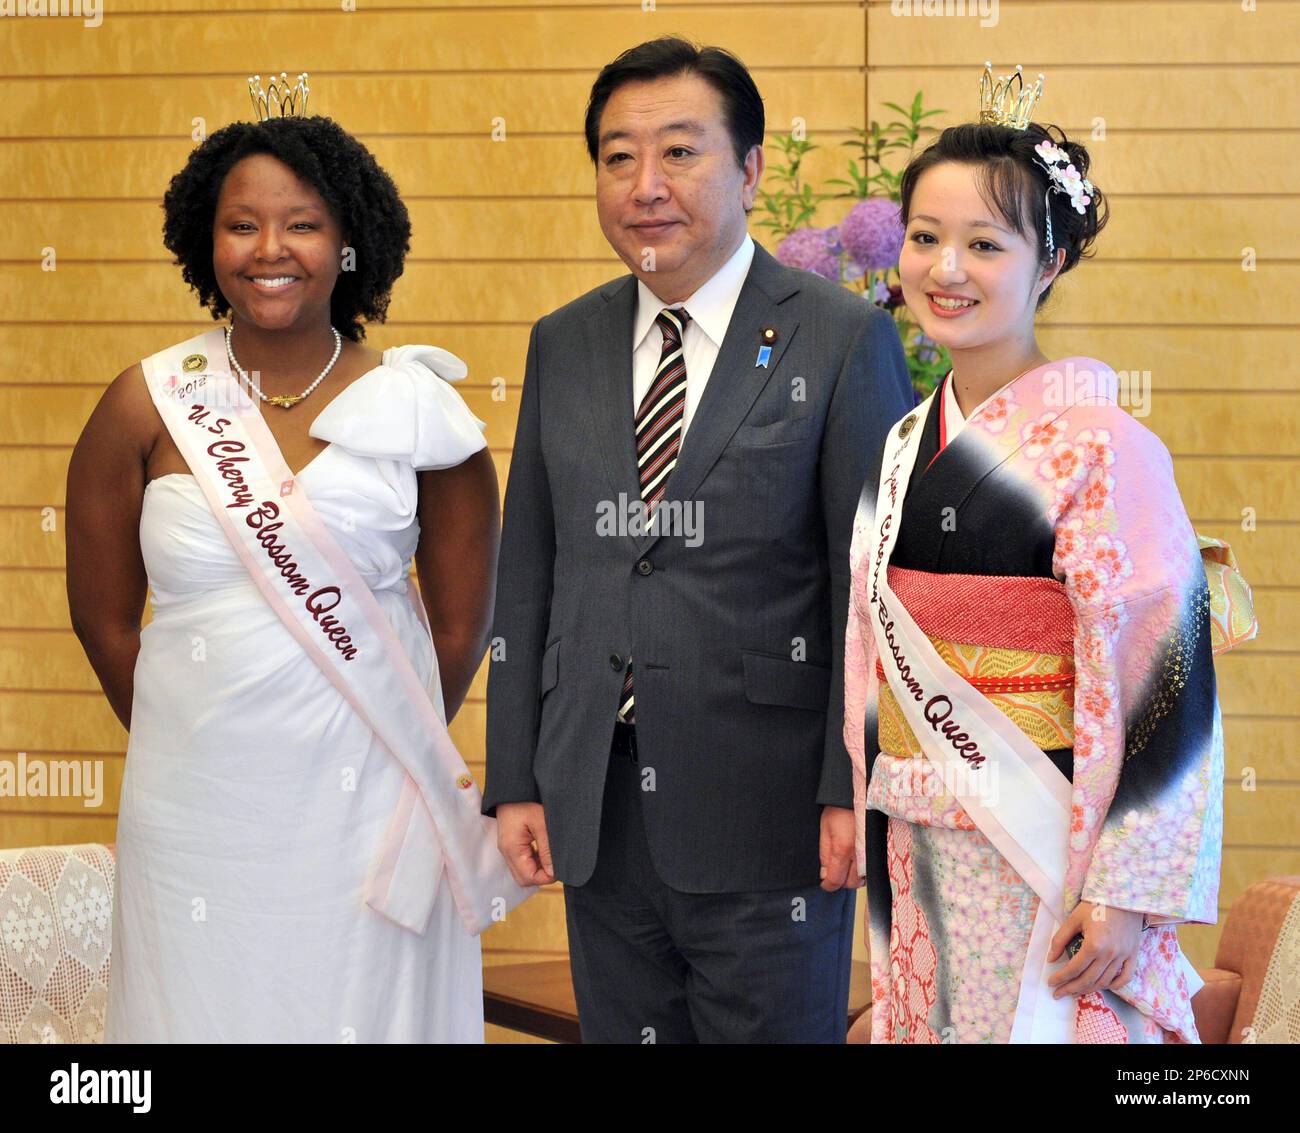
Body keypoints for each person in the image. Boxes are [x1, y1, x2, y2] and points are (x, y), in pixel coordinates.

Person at [67, 80, 523, 1043]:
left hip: (366, 794)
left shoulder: (419, 411)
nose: (271, 250)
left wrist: (385, 734)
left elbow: (462, 621)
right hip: (196, 801)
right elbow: (104, 619)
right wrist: (190, 735)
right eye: (242, 226)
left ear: (348, 244)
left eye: (303, 225)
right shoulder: (145, 402)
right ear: (208, 242)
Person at [484, 37, 913, 1043]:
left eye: (679, 152)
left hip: (769, 813)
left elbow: (872, 589)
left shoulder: (841, 336)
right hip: (595, 793)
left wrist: (847, 784)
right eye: (616, 155)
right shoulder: (564, 339)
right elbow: (530, 568)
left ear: (751, 168)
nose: (644, 185)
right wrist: (513, 776)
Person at [845, 64, 1255, 1043]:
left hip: (1042, 840)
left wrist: (1123, 890)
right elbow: (870, 649)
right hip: (912, 826)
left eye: (984, 243)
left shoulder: (1107, 447)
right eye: (925, 237)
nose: (945, 268)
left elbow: (1169, 671)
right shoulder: (905, 444)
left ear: (1049, 263)